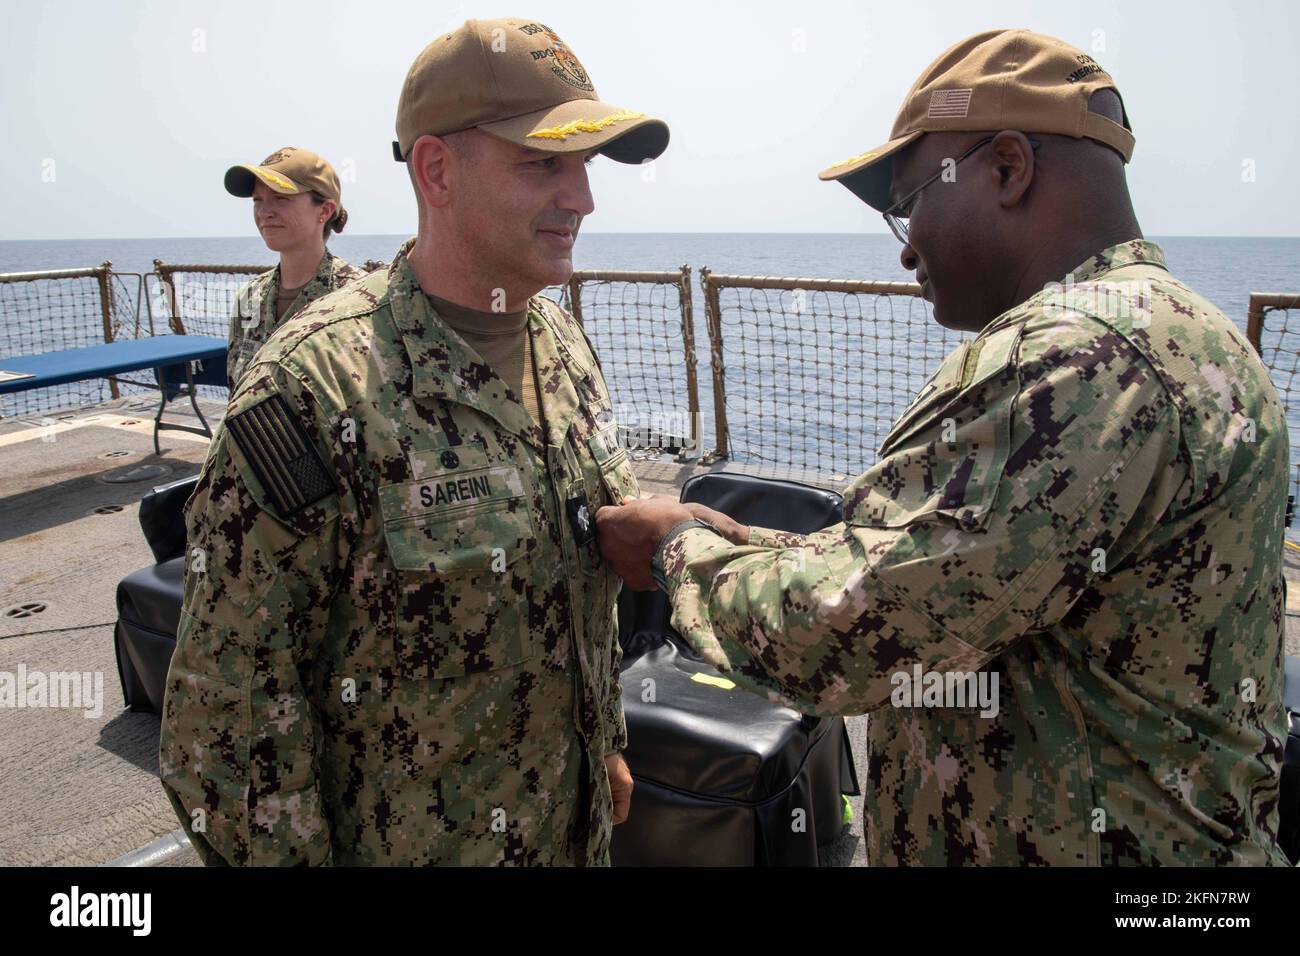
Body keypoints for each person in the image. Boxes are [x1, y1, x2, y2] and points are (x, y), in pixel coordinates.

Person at [596, 29, 1293, 866]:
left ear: (1006, 168)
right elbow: (943, 565)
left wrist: (679, 550)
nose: (904, 242)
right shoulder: (1189, 334)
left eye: (909, 198)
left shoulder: (1073, 359)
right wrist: (736, 535)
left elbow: (849, 636)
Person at [158, 16, 668, 866]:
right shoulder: (313, 389)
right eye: (543, 162)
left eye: (584, 165)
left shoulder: (564, 349)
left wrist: (605, 739)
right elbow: (226, 723)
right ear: (436, 170)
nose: (582, 197)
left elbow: (577, 591)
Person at [222, 147, 364, 389]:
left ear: (325, 210)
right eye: (258, 200)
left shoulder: (357, 300)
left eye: (281, 198)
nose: (264, 212)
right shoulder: (250, 298)